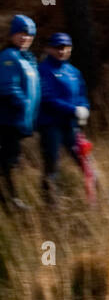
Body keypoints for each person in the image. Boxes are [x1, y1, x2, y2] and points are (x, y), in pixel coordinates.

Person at [36, 33, 90, 207]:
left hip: (71, 126)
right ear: (50, 49)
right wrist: (74, 110)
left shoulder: (74, 72)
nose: (62, 51)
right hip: (51, 125)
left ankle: (96, 201)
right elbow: (48, 99)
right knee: (52, 165)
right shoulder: (43, 70)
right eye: (58, 47)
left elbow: (82, 95)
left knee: (86, 163)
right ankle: (52, 206)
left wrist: (84, 108)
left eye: (66, 47)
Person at [0, 15, 41, 211]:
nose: (25, 38)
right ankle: (12, 201)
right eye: (21, 34)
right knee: (9, 160)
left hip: (20, 120)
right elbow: (8, 87)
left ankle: (10, 200)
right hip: (8, 119)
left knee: (11, 159)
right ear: (13, 35)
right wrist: (24, 104)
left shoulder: (27, 58)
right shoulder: (9, 56)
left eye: (29, 34)